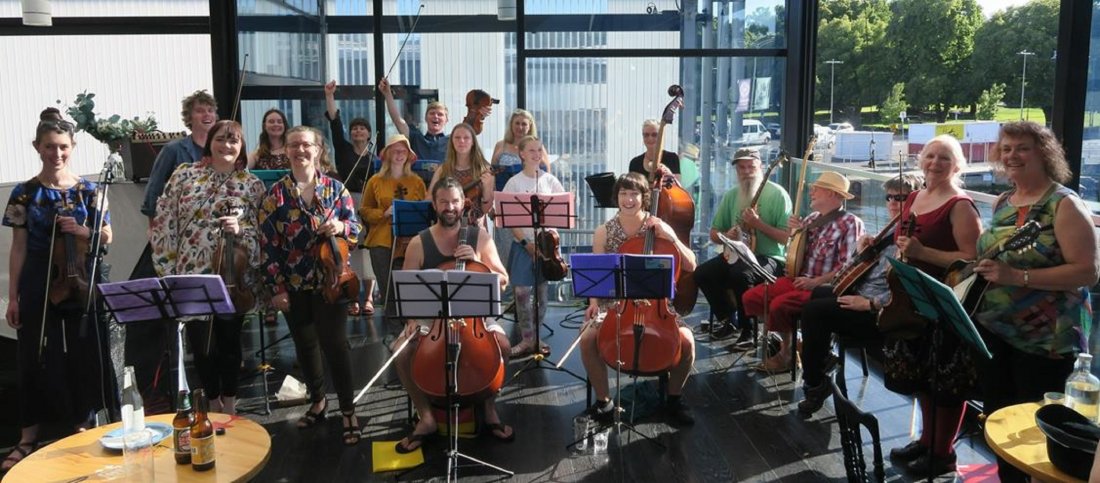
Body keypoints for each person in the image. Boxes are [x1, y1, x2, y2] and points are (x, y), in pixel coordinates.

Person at [971, 122, 1099, 482]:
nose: (1012, 155)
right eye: (1006, 148)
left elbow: (1088, 272)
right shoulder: (1002, 200)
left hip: (1047, 341)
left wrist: (1018, 277)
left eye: (1022, 148)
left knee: (1037, 434)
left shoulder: (1064, 204)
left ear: (1044, 153)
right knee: (1000, 420)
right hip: (995, 330)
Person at [3, 109, 113, 471]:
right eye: (50, 146)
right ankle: (28, 436)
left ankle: (83, 422)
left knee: (86, 353)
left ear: (73, 146)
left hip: (80, 278)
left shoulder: (89, 190)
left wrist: (82, 232)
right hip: (39, 277)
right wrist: (14, 296)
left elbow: (106, 236)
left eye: (63, 146)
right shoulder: (24, 194)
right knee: (33, 357)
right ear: (38, 147)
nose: (57, 153)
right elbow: (18, 248)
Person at [882, 134, 982, 476]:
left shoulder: (961, 205)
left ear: (957, 166)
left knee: (945, 381)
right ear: (920, 160)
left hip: (944, 303)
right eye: (930, 156)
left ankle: (943, 453)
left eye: (945, 158)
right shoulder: (914, 196)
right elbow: (904, 244)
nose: (935, 163)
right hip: (913, 301)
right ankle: (926, 440)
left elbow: (972, 259)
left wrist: (925, 254)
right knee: (922, 377)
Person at [150, 120, 265, 416]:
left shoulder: (251, 184)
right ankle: (211, 403)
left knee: (230, 343)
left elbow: (261, 232)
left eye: (234, 140)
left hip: (233, 276)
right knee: (201, 347)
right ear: (209, 142)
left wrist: (240, 230)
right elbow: (165, 222)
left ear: (241, 147)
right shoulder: (185, 175)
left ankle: (229, 404)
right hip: (192, 273)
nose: (226, 145)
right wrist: (167, 272)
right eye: (221, 139)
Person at [391, 176, 513, 453]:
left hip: (475, 314)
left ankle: (489, 406)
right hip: (430, 317)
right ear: (434, 205)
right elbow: (407, 291)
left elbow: (503, 280)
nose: (450, 207)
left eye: (455, 201)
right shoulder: (419, 243)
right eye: (443, 201)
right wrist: (411, 320)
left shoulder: (479, 236)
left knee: (504, 346)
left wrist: (478, 261)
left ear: (463, 204)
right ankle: (426, 417)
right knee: (401, 351)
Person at [258, 126, 363, 446]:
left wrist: (341, 225)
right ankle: (318, 402)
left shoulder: (336, 189)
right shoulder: (275, 194)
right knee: (305, 345)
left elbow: (356, 229)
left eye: (306, 145)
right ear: (286, 151)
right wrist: (276, 288)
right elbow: (267, 244)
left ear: (318, 150)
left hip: (331, 279)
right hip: (293, 281)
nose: (300, 150)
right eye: (294, 145)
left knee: (335, 345)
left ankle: (348, 410)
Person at [796, 174, 923, 418]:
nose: (893, 203)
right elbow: (854, 268)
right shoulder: (891, 230)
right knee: (818, 295)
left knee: (814, 313)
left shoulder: (910, 238)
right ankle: (823, 361)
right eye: (889, 197)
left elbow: (904, 291)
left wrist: (869, 304)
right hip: (861, 291)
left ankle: (814, 383)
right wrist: (861, 248)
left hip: (879, 312)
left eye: (901, 198)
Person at [577, 172, 697, 427]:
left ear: (644, 198)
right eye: (623, 193)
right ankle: (604, 402)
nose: (628, 199)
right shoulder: (604, 231)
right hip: (617, 303)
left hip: (659, 306)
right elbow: (597, 275)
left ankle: (674, 399)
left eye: (634, 194)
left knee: (687, 342)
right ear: (616, 197)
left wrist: (671, 236)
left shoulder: (659, 227)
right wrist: (594, 304)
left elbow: (692, 265)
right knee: (587, 338)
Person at [130, 90, 218, 398]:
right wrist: (157, 240)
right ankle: (168, 390)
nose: (206, 114)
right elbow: (153, 198)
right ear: (189, 116)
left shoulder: (221, 149)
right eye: (199, 110)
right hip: (176, 246)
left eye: (210, 109)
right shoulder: (174, 150)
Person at [741, 171, 863, 373]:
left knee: (780, 305)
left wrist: (816, 282)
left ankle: (786, 354)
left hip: (824, 287)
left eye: (818, 188)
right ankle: (791, 340)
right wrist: (796, 234)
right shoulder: (813, 218)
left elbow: (847, 267)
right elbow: (795, 254)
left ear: (832, 194)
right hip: (800, 279)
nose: (811, 191)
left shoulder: (850, 223)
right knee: (753, 297)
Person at [693, 147, 791, 346]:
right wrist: (724, 236)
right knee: (702, 273)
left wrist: (758, 225)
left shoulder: (778, 195)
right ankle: (729, 320)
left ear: (761, 166)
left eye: (751, 166)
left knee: (740, 274)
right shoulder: (731, 195)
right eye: (741, 168)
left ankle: (750, 331)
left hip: (770, 257)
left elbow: (786, 239)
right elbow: (714, 233)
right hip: (738, 255)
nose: (746, 171)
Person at [501, 136, 565, 357]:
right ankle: (527, 339)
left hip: (546, 246)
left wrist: (551, 237)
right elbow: (510, 220)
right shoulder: (514, 183)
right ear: (522, 153)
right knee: (521, 292)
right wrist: (526, 243)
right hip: (523, 246)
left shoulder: (551, 181)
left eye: (539, 150)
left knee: (541, 293)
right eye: (531, 150)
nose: (536, 154)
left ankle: (536, 338)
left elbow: (560, 215)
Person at [324, 80, 377, 316]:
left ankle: (368, 298)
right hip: (347, 202)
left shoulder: (375, 158)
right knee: (350, 250)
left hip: (367, 202)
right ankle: (352, 297)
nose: (357, 131)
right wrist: (329, 95)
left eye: (362, 128)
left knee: (368, 249)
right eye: (354, 128)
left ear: (368, 133)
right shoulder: (343, 149)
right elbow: (335, 122)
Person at [360, 134, 427, 317]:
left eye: (403, 151)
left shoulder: (417, 182)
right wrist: (383, 213)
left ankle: (412, 327)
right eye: (395, 151)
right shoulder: (375, 181)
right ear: (387, 154)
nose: (399, 154)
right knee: (388, 290)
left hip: (410, 242)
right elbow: (364, 210)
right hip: (381, 242)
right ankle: (392, 330)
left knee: (411, 288)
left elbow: (426, 211)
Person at [380, 76, 478, 162]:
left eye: (440, 114)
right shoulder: (416, 138)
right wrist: (387, 94)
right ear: (425, 118)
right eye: (432, 113)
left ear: (446, 120)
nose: (436, 116)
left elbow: (470, 131)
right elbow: (398, 120)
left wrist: (479, 112)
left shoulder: (452, 140)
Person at [429, 123, 495, 227]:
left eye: (466, 138)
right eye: (457, 138)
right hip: (446, 227)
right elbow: (430, 199)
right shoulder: (443, 169)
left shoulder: (484, 169)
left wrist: (487, 188)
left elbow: (486, 210)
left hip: (475, 227)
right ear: (452, 142)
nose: (461, 141)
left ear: (473, 142)